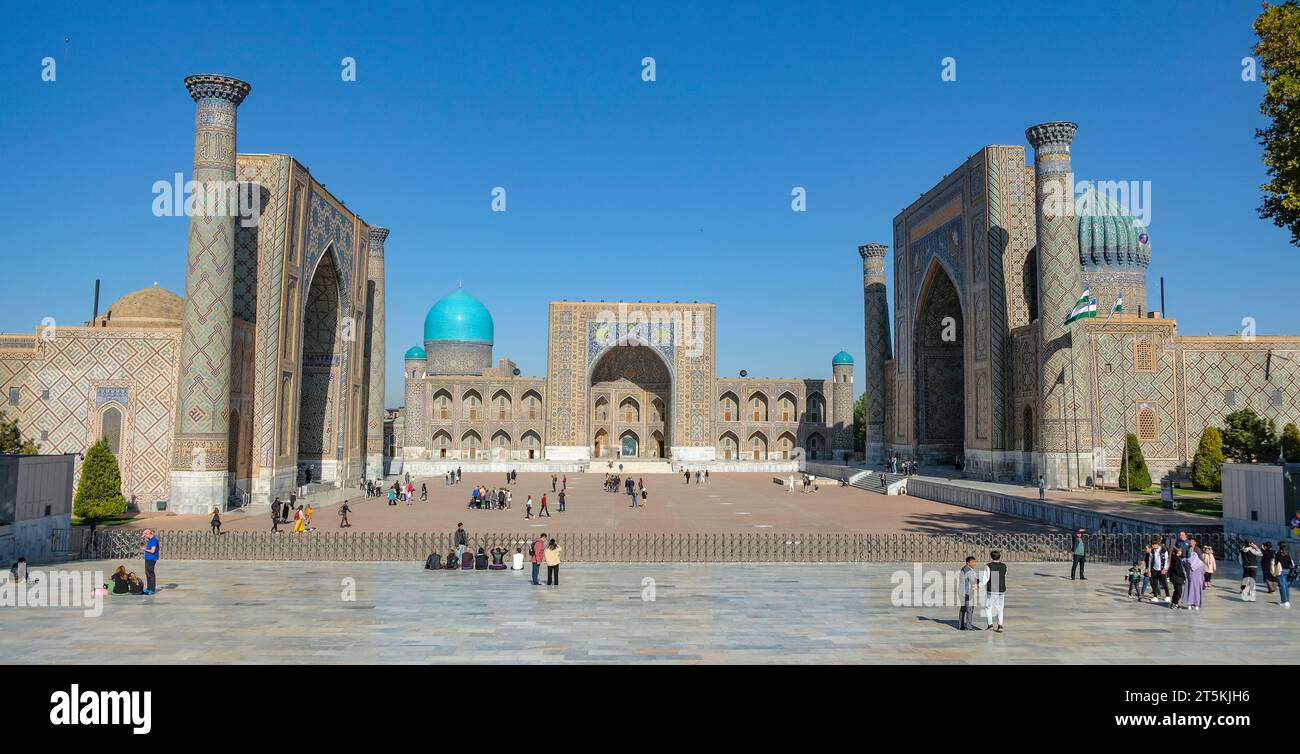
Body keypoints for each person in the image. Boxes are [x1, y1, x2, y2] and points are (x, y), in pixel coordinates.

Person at [982, 550, 1006, 632]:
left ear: (991, 557)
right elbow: (1003, 575)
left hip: (992, 589)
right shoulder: (1004, 566)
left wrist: (979, 585)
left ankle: (990, 625)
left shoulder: (988, 566)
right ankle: (1000, 625)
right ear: (999, 556)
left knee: (988, 607)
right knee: (1000, 608)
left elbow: (986, 578)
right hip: (1001, 589)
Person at [958, 556, 980, 630]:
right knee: (969, 609)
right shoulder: (969, 571)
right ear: (968, 563)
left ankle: (961, 625)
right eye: (973, 562)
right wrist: (983, 582)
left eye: (975, 562)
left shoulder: (964, 568)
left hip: (961, 591)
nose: (975, 563)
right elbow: (974, 580)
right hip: (967, 593)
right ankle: (969, 627)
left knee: (963, 608)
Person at [1148, 538, 1170, 603]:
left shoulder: (1164, 551)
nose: (1152, 546)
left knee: (1164, 583)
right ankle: (1155, 596)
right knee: (1154, 583)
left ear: (1157, 544)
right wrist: (1149, 570)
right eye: (1152, 544)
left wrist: (1165, 569)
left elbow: (1167, 561)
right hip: (1154, 569)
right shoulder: (1152, 551)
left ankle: (1168, 596)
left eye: (1153, 544)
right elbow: (1150, 561)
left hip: (1162, 569)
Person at [141, 528, 159, 595]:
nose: (144, 536)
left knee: (151, 573)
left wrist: (145, 549)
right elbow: (143, 540)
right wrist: (143, 538)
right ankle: (148, 588)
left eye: (145, 534)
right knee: (147, 573)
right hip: (148, 558)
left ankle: (152, 589)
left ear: (149, 533)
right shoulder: (150, 540)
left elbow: (153, 551)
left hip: (152, 559)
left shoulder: (154, 540)